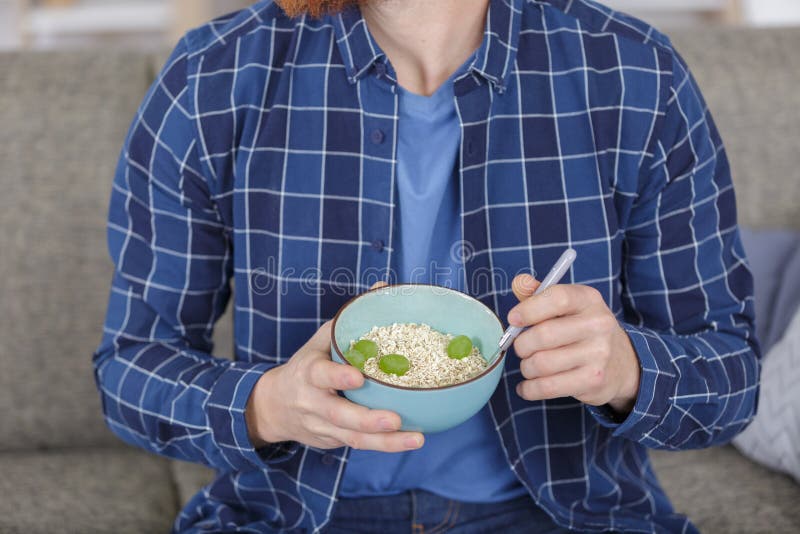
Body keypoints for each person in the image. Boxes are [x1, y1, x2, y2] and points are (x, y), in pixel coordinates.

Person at [92, 0, 760, 532]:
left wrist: (627, 370)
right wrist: (264, 407)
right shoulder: (212, 77)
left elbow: (731, 377)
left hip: (567, 513)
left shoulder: (635, 74)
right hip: (291, 516)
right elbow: (129, 368)